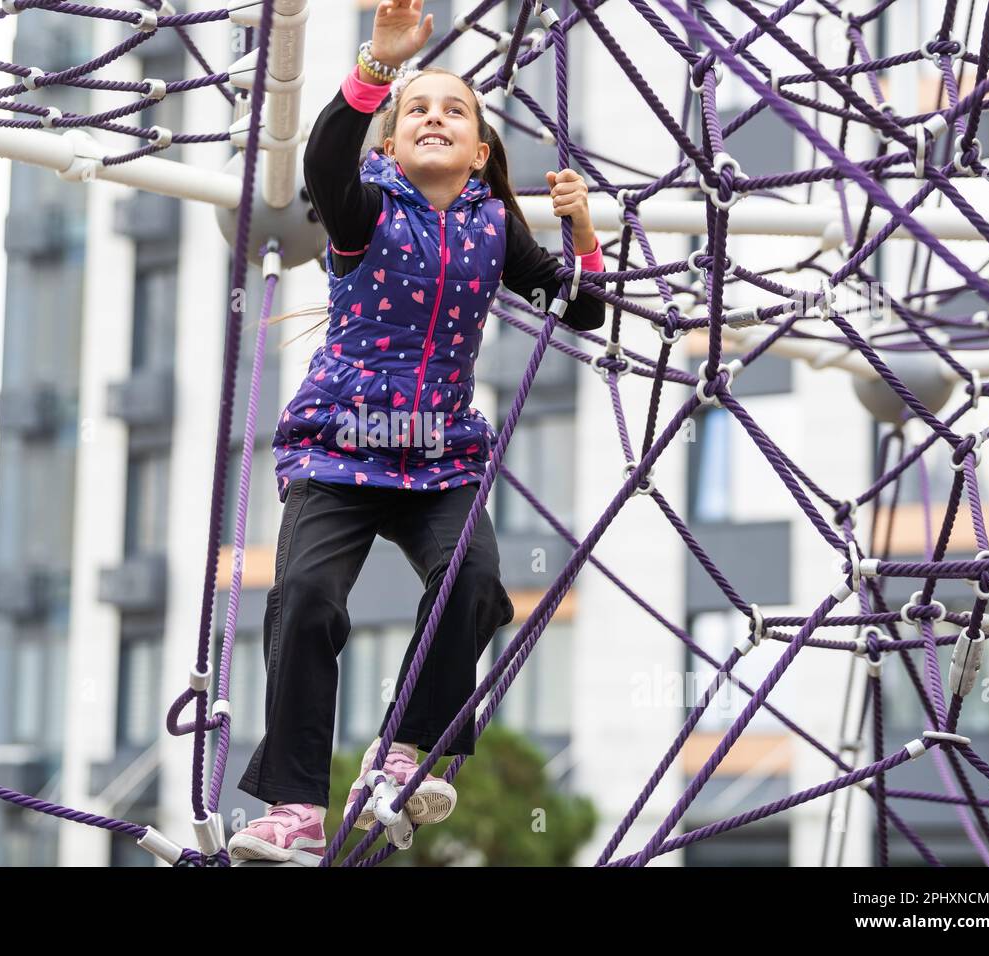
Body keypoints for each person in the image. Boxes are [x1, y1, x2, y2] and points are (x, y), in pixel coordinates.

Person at [229, 0, 605, 865]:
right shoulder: (366, 212)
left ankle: (402, 753)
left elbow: (579, 308)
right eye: (417, 111)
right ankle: (293, 805)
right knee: (308, 600)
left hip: (439, 456)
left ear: (478, 151)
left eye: (456, 109)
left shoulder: (492, 226)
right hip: (341, 445)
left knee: (474, 587)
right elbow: (324, 158)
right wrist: (378, 68)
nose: (434, 116)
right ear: (392, 144)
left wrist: (581, 230)